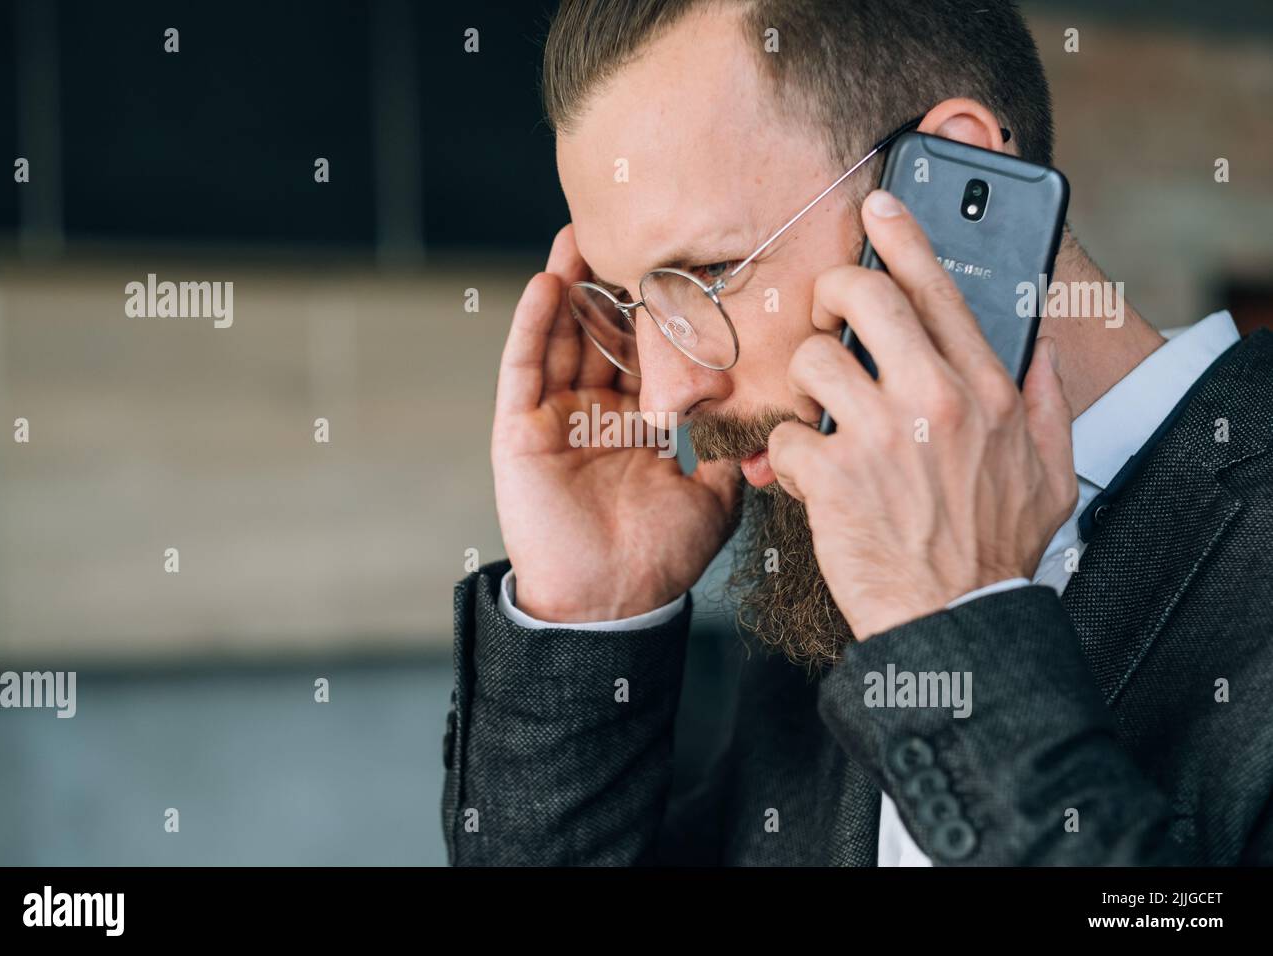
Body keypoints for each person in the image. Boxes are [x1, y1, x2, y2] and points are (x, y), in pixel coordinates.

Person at [442, 0, 1273, 865]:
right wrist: (587, 624)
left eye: (711, 273)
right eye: (633, 301)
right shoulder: (822, 581)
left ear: (957, 179)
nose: (663, 398)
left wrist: (957, 621)